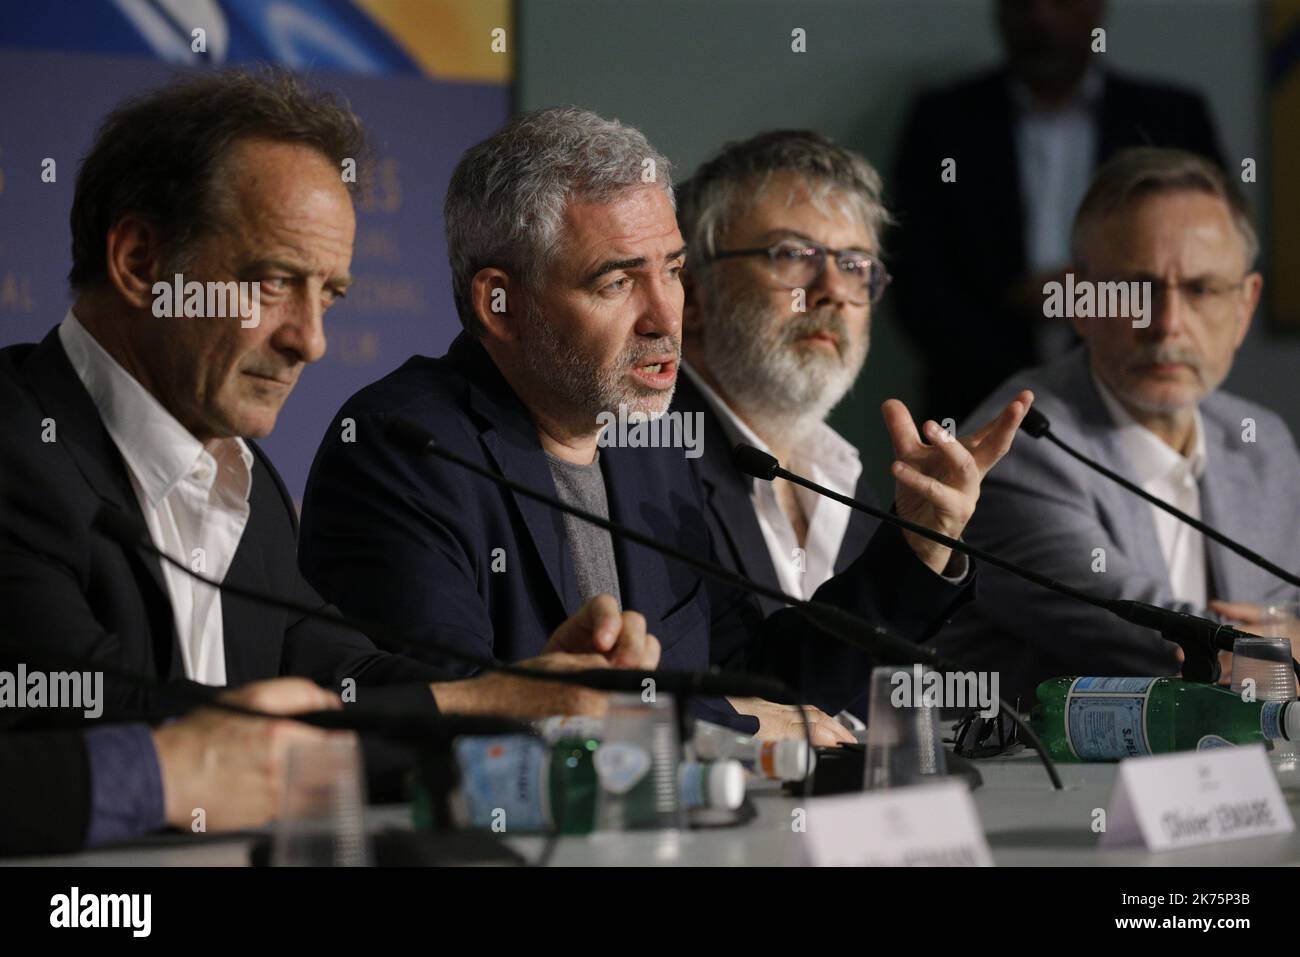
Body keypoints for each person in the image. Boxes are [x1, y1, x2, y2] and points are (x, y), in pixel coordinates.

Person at [298, 108, 1031, 735]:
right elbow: (452, 717)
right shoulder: (405, 449)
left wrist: (916, 545)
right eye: (617, 281)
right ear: (500, 303)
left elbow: (758, 677)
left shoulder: (648, 442)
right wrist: (725, 721)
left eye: (673, 271)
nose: (664, 317)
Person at [0, 70, 656, 752]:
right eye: (274, 282)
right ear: (140, 262)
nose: (309, 340)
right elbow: (94, 726)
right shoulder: (19, 453)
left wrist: (525, 696)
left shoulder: (243, 480)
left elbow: (348, 675)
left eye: (330, 294)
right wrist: (489, 702)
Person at [933, 147, 1300, 704]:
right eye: (1137, 289)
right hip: (1062, 785)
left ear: (1246, 306)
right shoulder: (1018, 442)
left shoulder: (1262, 441)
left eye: (1201, 290)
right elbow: (1178, 650)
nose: (1168, 324)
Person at [891, 0, 1224, 424]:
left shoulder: (1173, 120)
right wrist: (1021, 303)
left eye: (1062, 2)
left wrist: (1105, 295)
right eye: (1024, 4)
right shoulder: (942, 121)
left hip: (1147, 398)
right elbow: (915, 277)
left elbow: (1213, 264)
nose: (1042, 19)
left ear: (1097, 9)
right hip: (976, 407)